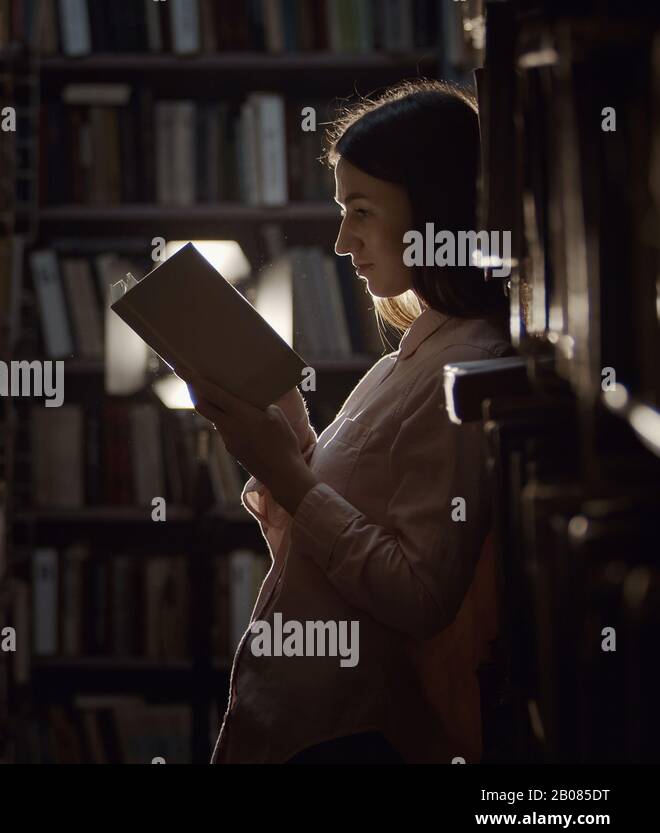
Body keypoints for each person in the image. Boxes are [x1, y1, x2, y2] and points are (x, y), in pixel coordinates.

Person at [188, 80, 515, 764]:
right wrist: (294, 436)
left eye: (362, 211)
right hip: (311, 723)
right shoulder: (419, 350)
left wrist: (281, 468)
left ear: (436, 212)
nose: (342, 241)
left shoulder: (466, 371)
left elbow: (420, 594)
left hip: (353, 737)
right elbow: (333, 548)